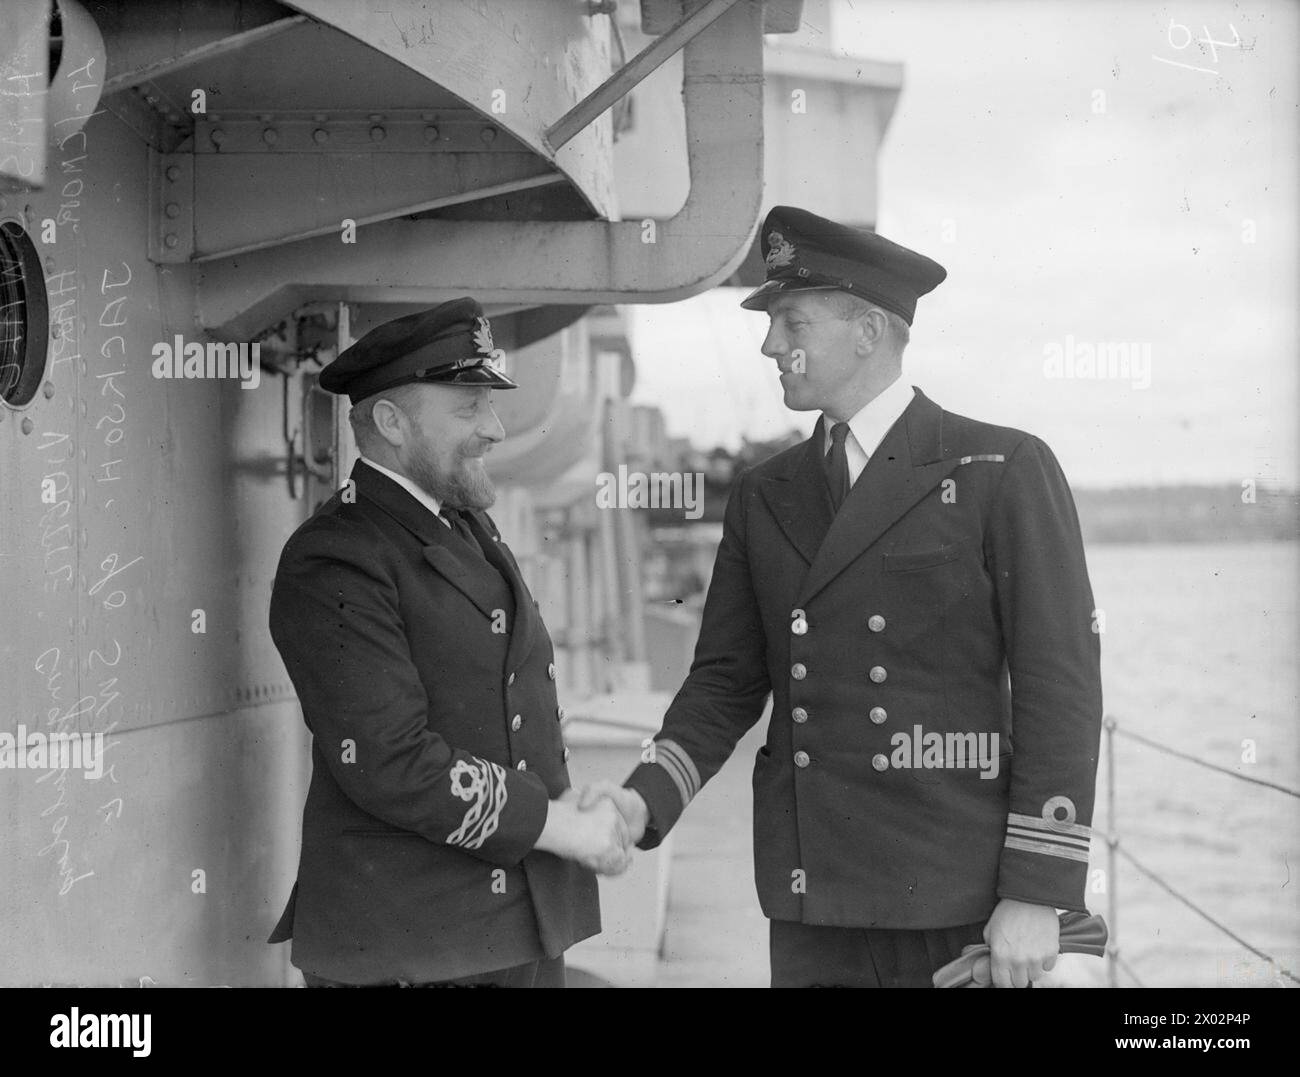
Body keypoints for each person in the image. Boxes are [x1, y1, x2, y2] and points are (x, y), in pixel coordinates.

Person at [581, 206, 1104, 988]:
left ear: (868, 330)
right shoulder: (765, 495)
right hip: (811, 900)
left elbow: (1059, 689)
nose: (769, 344)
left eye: (791, 320)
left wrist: (1038, 890)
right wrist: (639, 801)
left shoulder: (1000, 468)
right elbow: (724, 682)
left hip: (956, 904)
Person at [267, 297, 629, 988]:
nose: (494, 428)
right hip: (414, 940)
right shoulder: (338, 555)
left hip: (506, 924)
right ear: (390, 421)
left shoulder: (461, 522)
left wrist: (563, 808)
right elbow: (389, 760)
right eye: (467, 407)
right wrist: (553, 824)